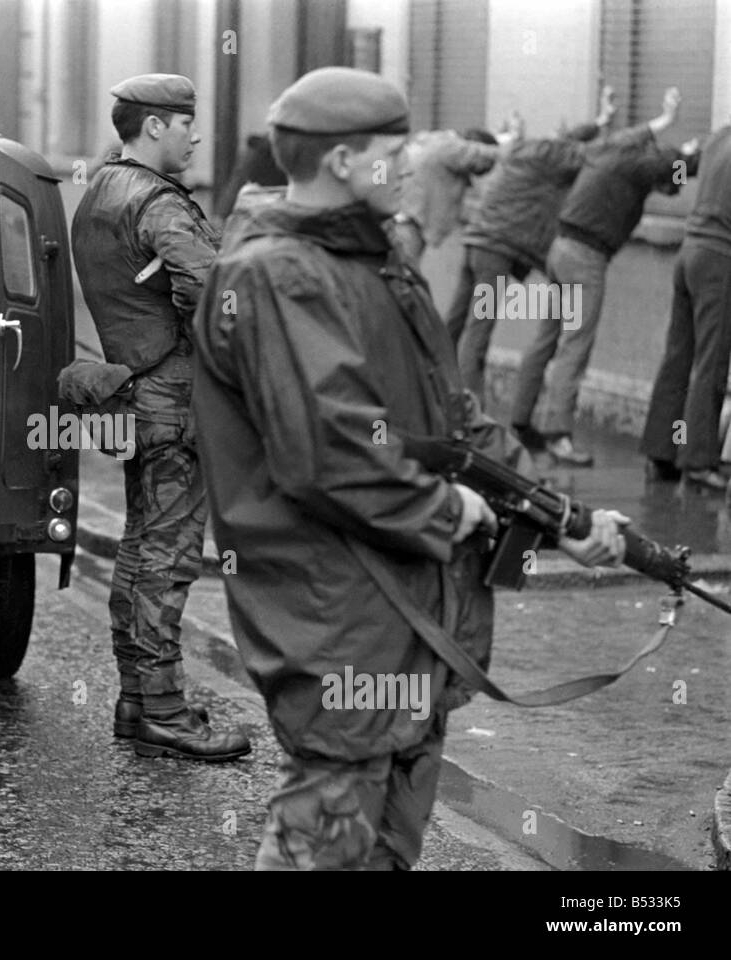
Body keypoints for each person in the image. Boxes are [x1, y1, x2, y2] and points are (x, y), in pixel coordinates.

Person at [191, 66, 627, 870]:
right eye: (400, 153)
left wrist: (565, 520)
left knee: (389, 846)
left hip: (406, 613)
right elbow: (328, 456)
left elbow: (453, 424)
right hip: (337, 617)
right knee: (324, 840)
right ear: (345, 163)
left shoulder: (376, 260)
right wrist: (450, 514)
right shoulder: (276, 274)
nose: (420, 171)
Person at [70, 73, 249, 761]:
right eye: (185, 123)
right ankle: (163, 715)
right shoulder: (157, 202)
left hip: (140, 397)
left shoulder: (102, 191)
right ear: (153, 126)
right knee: (167, 560)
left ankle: (140, 704)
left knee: (141, 549)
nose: (195, 135)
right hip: (175, 401)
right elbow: (214, 294)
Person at [450, 85, 676, 402]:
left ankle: (438, 399)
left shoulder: (533, 149)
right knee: (479, 331)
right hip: (497, 253)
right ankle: (468, 414)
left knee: (457, 323)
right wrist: (659, 123)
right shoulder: (557, 158)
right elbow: (607, 149)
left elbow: (589, 143)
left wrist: (600, 119)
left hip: (476, 244)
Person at [509, 87, 697, 467]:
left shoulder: (612, 148)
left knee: (547, 338)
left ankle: (519, 419)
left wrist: (665, 120)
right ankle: (558, 436)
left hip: (560, 251)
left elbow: (641, 138)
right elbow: (677, 168)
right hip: (584, 261)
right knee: (575, 344)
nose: (665, 189)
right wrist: (691, 155)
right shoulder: (647, 165)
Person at [639, 118, 731, 490]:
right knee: (711, 363)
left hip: (689, 252)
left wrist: (672, 179)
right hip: (720, 260)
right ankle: (697, 460)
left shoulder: (720, 136)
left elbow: (682, 166)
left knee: (678, 358)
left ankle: (663, 451)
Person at [390, 127, 501, 266]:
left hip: (404, 215)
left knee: (401, 270)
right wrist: (514, 148)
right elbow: (480, 154)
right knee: (403, 273)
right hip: (408, 222)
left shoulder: (435, 142)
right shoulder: (451, 147)